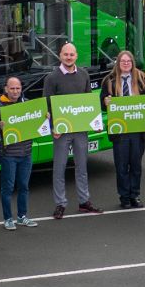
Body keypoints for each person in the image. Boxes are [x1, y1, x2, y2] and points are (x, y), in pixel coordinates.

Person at [44, 42, 102, 219]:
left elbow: (88, 103)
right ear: (60, 56)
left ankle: (84, 201)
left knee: (82, 166)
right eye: (65, 54)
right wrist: (53, 126)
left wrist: (95, 121)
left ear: (76, 56)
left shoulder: (84, 75)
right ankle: (60, 203)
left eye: (72, 54)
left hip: (80, 129)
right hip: (61, 131)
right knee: (59, 167)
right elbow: (46, 105)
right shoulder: (52, 78)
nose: (69, 57)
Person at [102, 50, 145, 209]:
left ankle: (135, 195)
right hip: (120, 131)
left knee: (136, 165)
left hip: (137, 130)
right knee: (122, 166)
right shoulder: (109, 81)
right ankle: (124, 196)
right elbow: (101, 105)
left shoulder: (142, 78)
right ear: (118, 63)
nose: (125, 63)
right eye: (122, 61)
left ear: (132, 63)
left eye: (128, 61)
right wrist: (105, 101)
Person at [0, 77, 38, 230]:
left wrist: (44, 118)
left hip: (26, 153)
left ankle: (22, 216)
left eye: (18, 88)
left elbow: (36, 123)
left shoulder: (26, 104)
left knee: (24, 186)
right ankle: (7, 218)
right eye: (12, 88)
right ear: (6, 89)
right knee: (8, 188)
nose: (15, 91)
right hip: (9, 154)